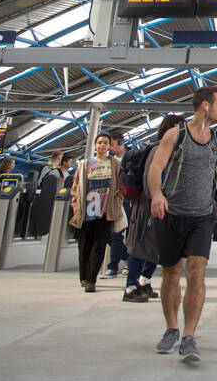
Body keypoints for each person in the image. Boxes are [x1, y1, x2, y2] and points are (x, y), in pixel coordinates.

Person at [146, 87, 217, 362]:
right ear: (205, 106)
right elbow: (156, 168)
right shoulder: (176, 135)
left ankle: (189, 335)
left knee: (196, 273)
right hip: (172, 215)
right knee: (171, 273)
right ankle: (171, 328)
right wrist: (158, 194)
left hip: (203, 216)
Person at [123, 116, 182, 303]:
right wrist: (155, 198)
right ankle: (131, 286)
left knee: (157, 247)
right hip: (149, 205)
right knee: (141, 245)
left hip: (163, 205)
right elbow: (152, 177)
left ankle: (144, 281)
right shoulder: (158, 150)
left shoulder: (173, 151)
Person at [69, 135, 123, 292]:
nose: (102, 145)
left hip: (106, 211)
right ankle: (83, 277)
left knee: (100, 244)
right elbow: (75, 187)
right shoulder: (85, 164)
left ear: (109, 147)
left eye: (105, 143)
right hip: (87, 210)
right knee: (84, 245)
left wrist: (118, 202)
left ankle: (91, 279)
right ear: (94, 145)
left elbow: (121, 184)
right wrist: (75, 205)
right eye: (100, 143)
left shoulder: (115, 164)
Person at [104, 130, 130, 279]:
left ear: (121, 143)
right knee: (109, 233)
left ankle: (113, 266)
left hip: (126, 199)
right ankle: (127, 257)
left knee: (117, 233)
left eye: (111, 145)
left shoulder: (132, 157)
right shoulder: (107, 161)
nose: (109, 148)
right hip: (110, 199)